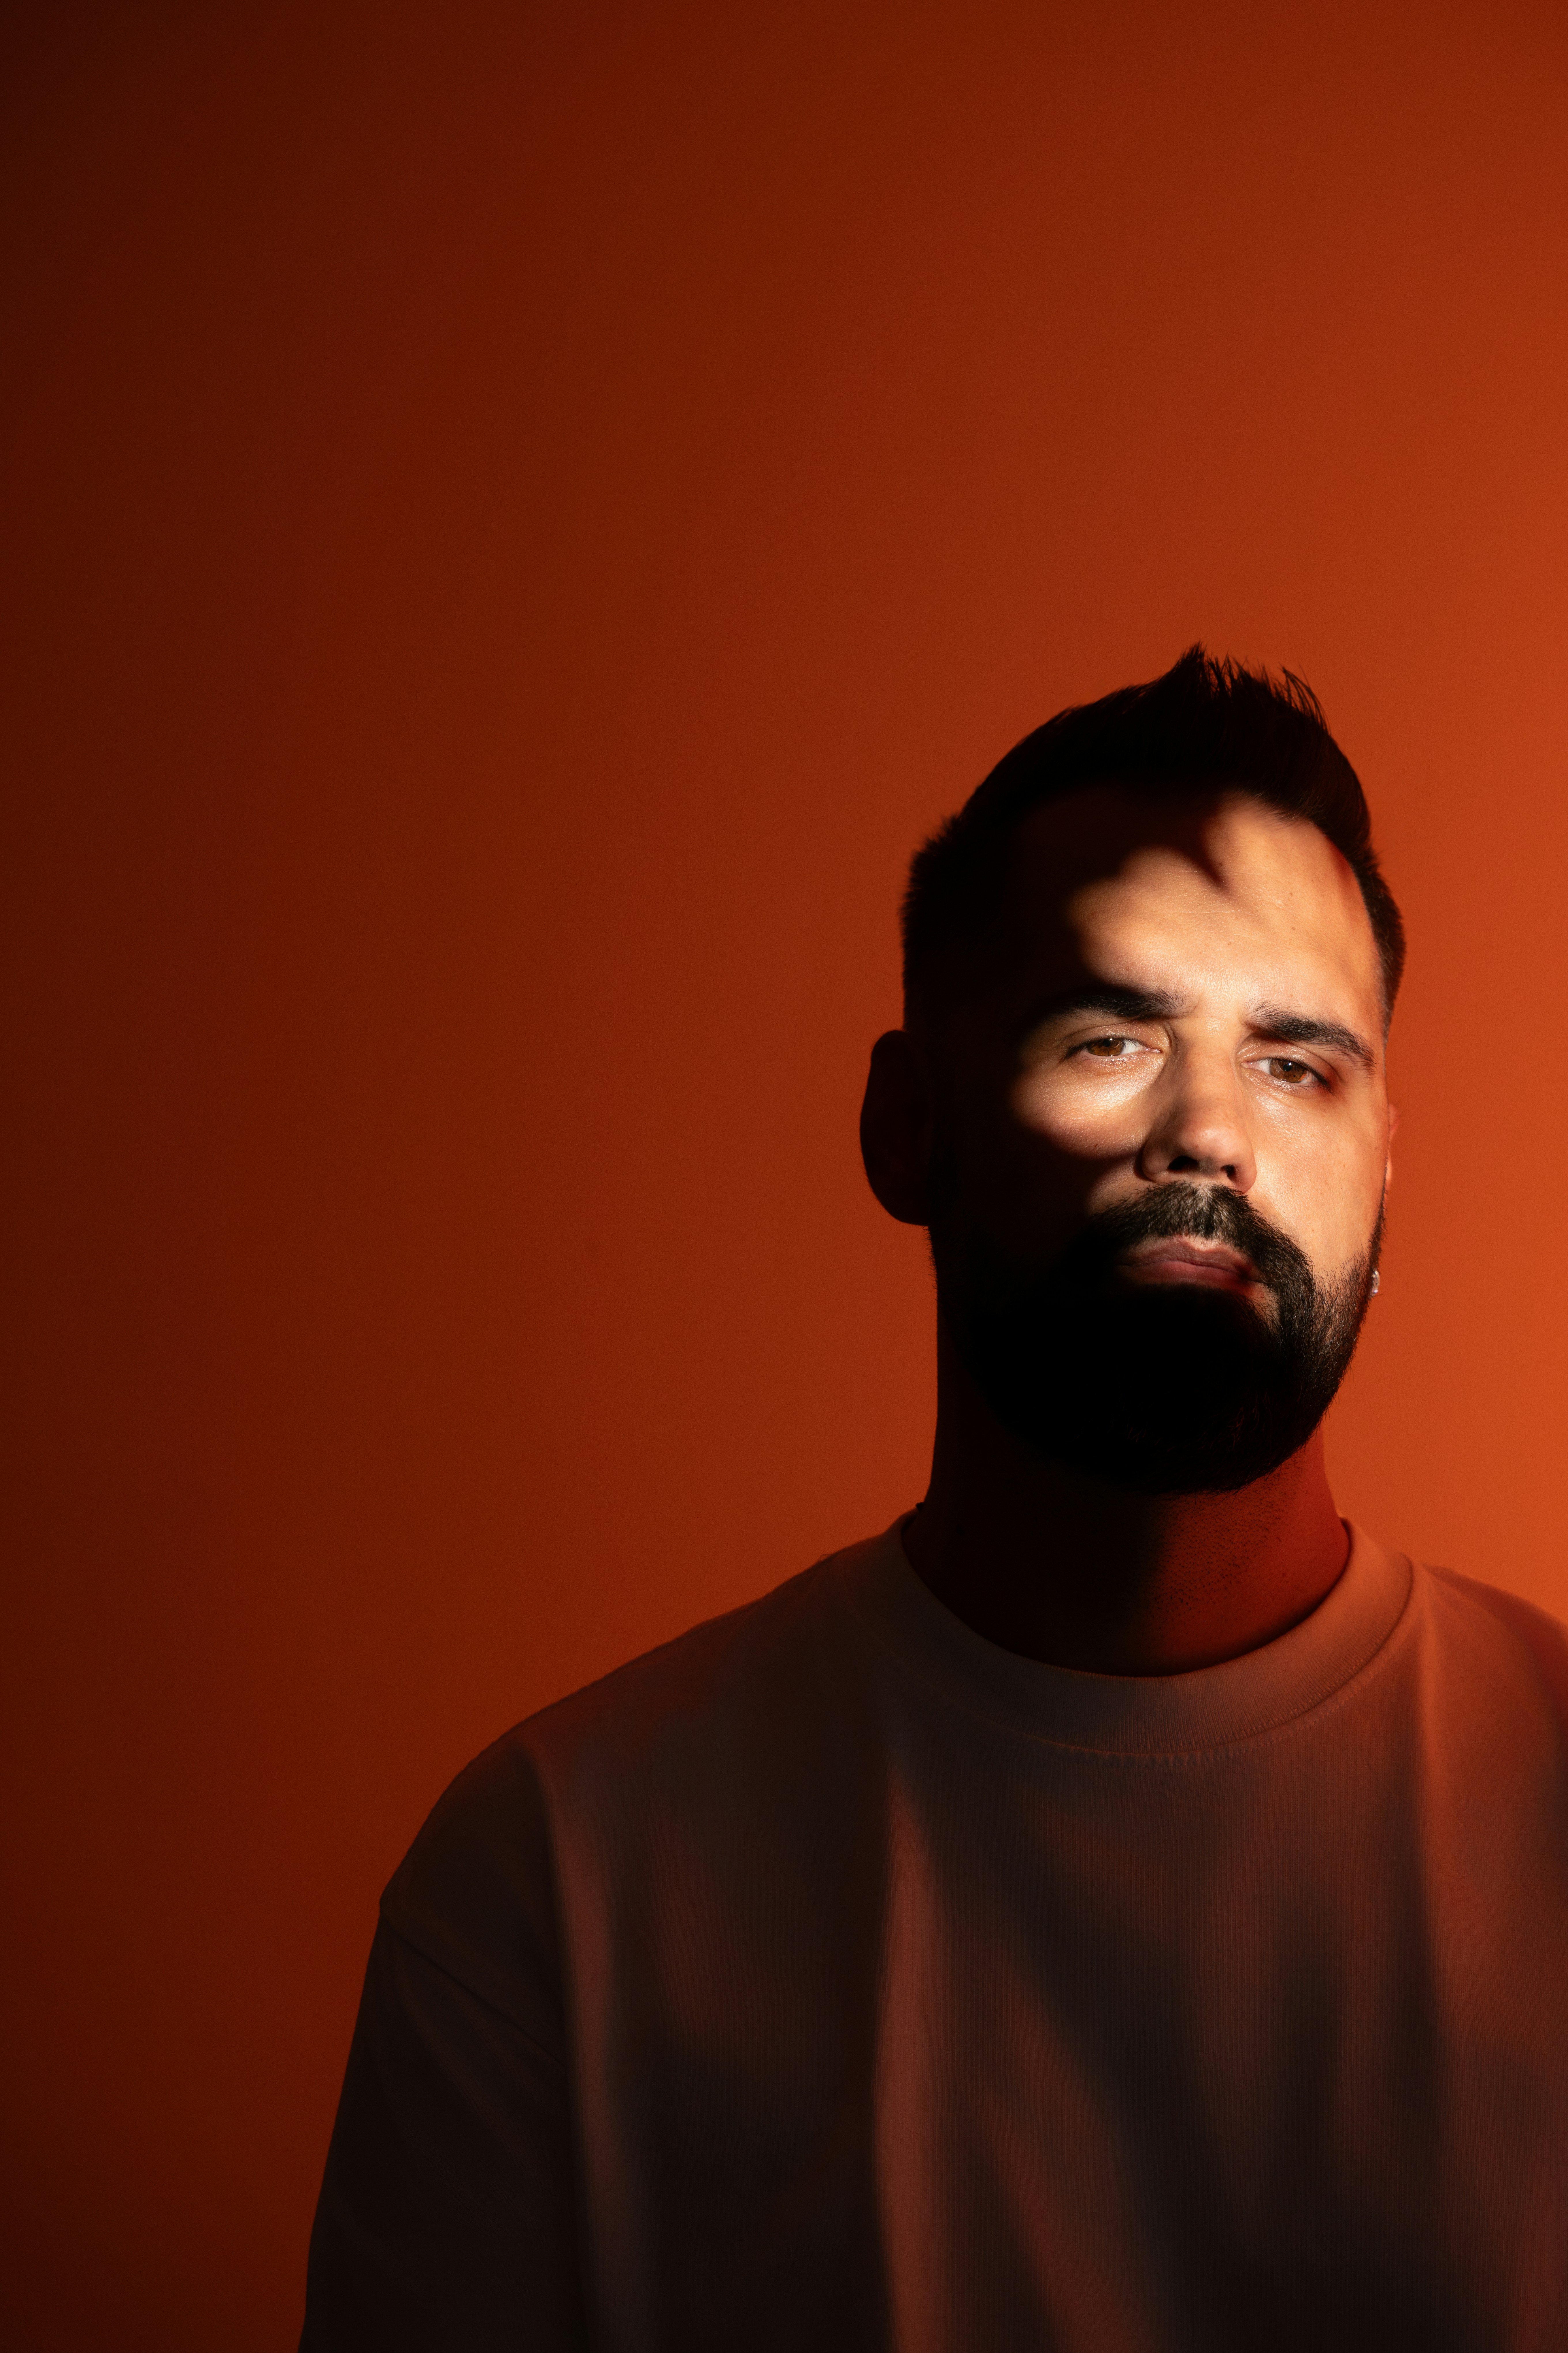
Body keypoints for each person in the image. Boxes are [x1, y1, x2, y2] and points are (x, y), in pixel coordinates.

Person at [300, 648, 1568, 2352]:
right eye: (1109, 1035)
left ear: (1385, 1163)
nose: (1207, 1132)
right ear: (908, 1123)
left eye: (1294, 1064)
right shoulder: (559, 1886)